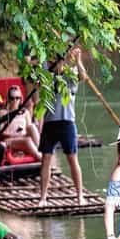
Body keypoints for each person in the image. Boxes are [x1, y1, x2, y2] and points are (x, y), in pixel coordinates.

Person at [37, 47, 84, 206]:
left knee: (72, 159)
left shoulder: (70, 75)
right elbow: (41, 61)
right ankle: (43, 198)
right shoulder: (47, 74)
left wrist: (78, 60)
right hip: (50, 122)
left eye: (58, 60)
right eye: (53, 60)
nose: (55, 63)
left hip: (67, 122)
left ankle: (80, 196)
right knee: (46, 160)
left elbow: (83, 75)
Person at [0, 85, 41, 161]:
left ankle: (41, 151)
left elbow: (29, 130)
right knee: (27, 140)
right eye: (12, 98)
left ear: (21, 99)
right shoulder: (3, 113)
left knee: (32, 127)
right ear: (8, 99)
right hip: (10, 140)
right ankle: (41, 158)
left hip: (24, 138)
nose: (15, 100)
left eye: (17, 98)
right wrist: (16, 135)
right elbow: (1, 132)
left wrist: (23, 134)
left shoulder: (25, 112)